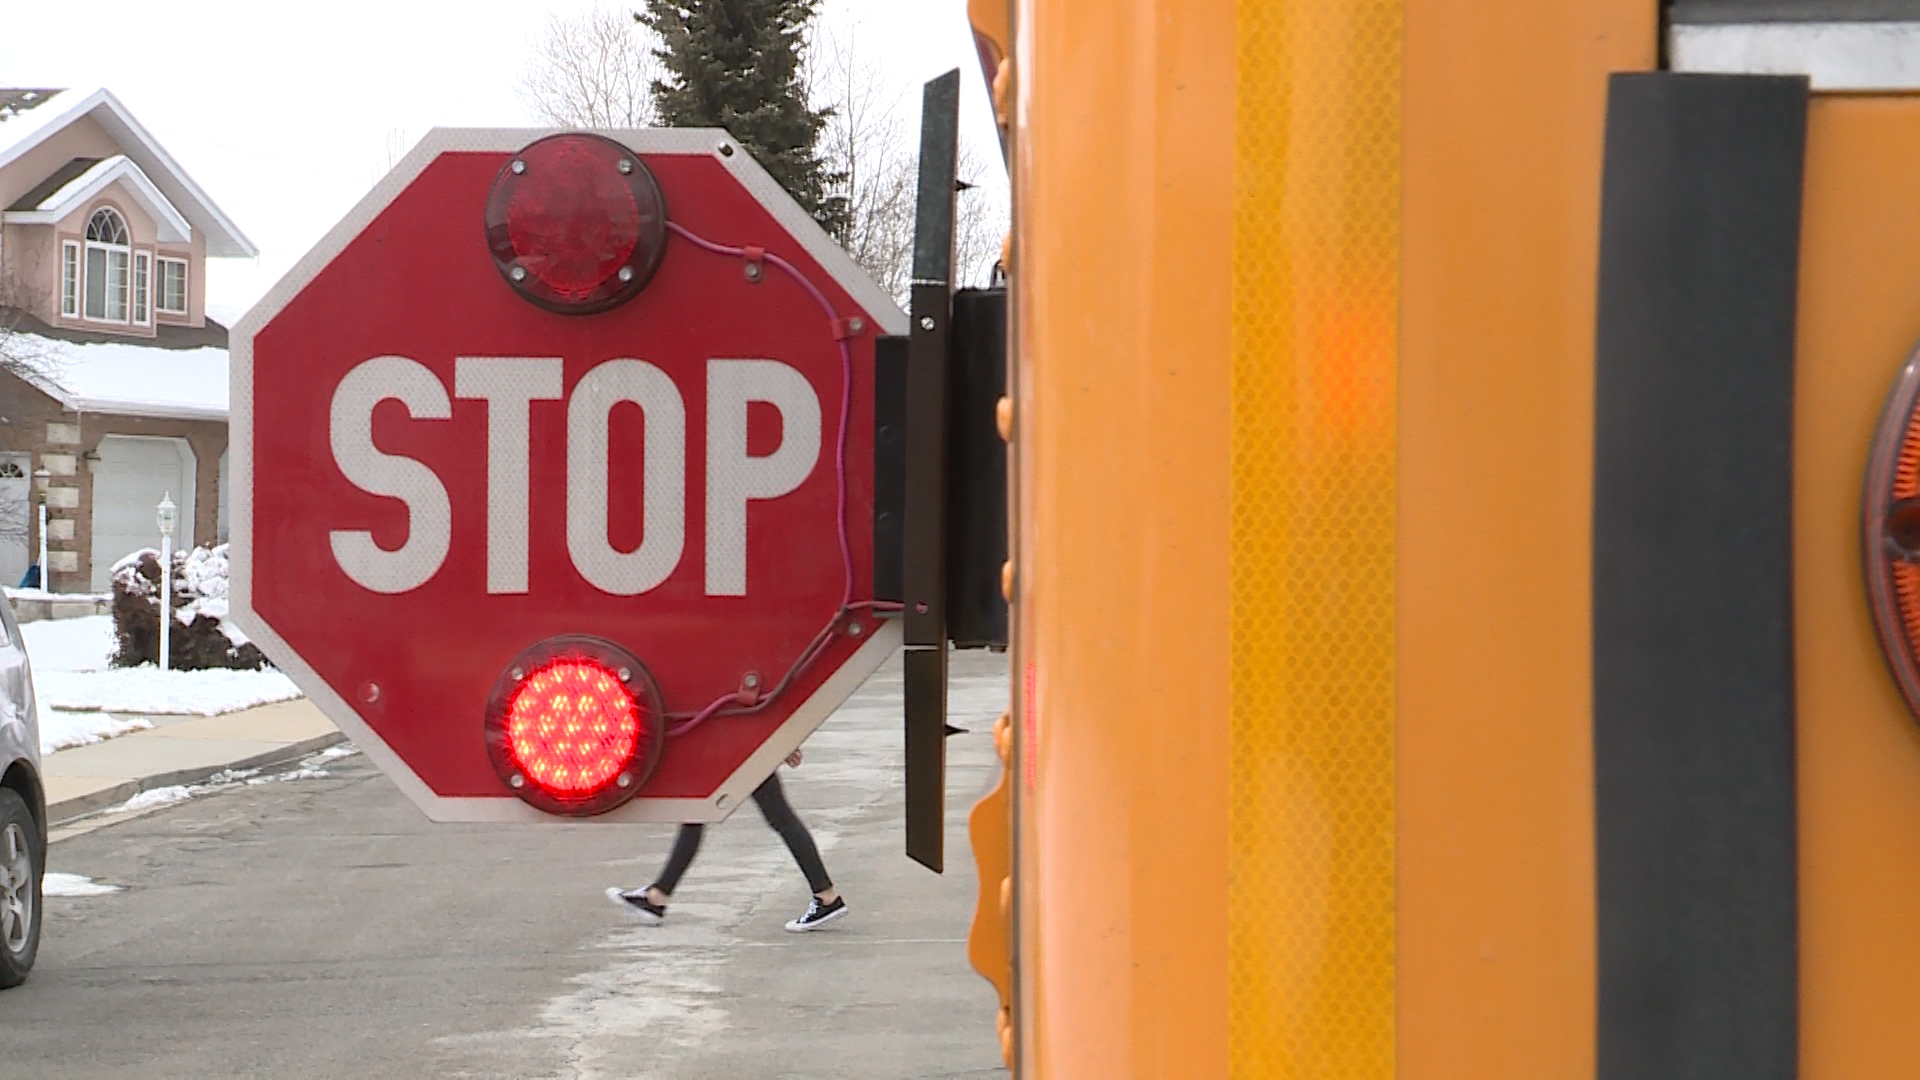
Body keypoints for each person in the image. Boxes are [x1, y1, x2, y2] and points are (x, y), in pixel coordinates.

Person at [606, 750, 847, 932]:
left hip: (733, 740)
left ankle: (827, 896)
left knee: (698, 813)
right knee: (776, 817)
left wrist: (780, 743)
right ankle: (657, 896)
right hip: (742, 740)